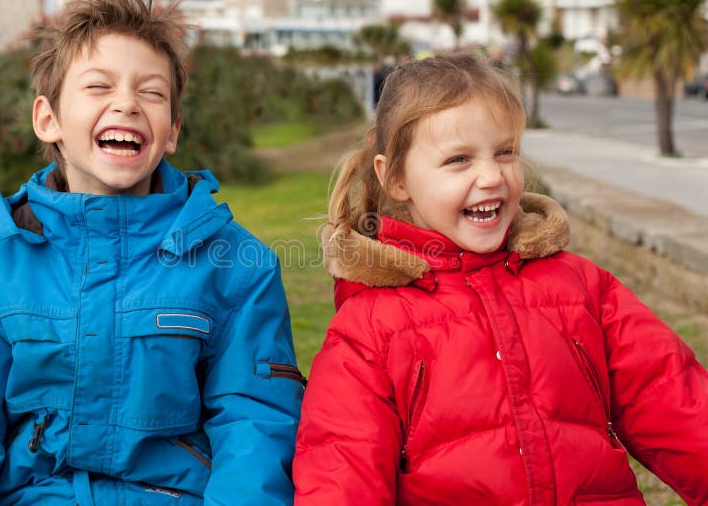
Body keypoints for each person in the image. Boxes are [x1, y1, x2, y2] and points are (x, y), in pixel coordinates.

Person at [0, 0, 304, 505]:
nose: (128, 104)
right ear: (48, 119)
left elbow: (254, 426)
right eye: (99, 86)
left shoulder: (238, 267)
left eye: (151, 91)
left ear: (173, 130)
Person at [293, 52, 708, 505]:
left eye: (505, 152)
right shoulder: (368, 328)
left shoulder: (581, 287)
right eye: (459, 160)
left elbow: (675, 401)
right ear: (396, 179)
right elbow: (342, 470)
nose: (491, 176)